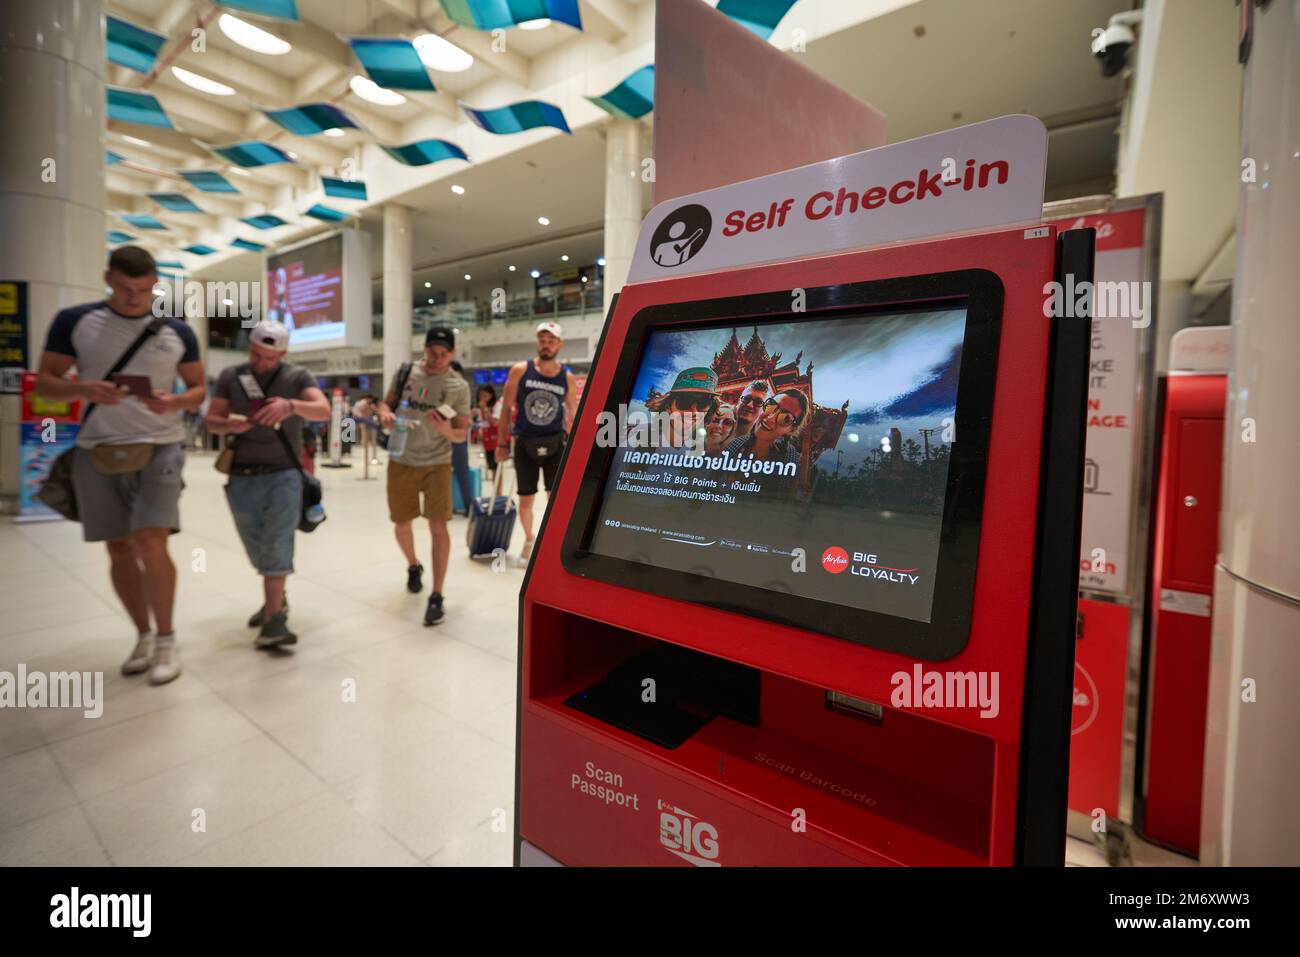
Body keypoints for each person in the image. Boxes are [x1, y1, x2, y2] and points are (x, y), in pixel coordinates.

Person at [35, 245, 206, 685]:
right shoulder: (75, 321)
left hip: (161, 445)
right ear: (108, 278)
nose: (135, 298)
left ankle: (167, 638)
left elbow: (198, 390)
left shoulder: (177, 331)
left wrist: (175, 400)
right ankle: (143, 634)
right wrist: (85, 390)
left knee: (151, 540)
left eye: (145, 290)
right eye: (127, 289)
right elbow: (47, 383)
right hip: (99, 447)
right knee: (119, 546)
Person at [206, 320, 330, 648]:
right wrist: (237, 424)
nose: (262, 363)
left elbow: (323, 409)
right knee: (257, 545)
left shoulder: (297, 377)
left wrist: (290, 406)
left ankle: (275, 621)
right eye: (257, 355)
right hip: (242, 475)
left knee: (277, 541)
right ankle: (276, 599)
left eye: (269, 358)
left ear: (283, 354)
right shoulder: (232, 377)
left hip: (284, 473)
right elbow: (212, 420)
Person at [378, 327, 471, 625]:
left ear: (453, 354)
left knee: (438, 526)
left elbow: (461, 433)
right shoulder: (406, 372)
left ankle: (437, 595)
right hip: (401, 459)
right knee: (402, 523)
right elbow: (386, 403)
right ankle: (413, 564)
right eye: (433, 352)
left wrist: (446, 430)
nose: (438, 358)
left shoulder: (458, 387)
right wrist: (384, 414)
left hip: (437, 463)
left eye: (444, 354)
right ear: (425, 348)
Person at [495, 322, 578, 560]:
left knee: (556, 499)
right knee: (525, 499)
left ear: (559, 345)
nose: (546, 344)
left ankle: (552, 541)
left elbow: (574, 414)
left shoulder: (567, 377)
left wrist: (580, 445)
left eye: (552, 341)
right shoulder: (521, 370)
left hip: (555, 443)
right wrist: (501, 443)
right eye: (542, 340)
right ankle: (530, 539)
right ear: (537, 342)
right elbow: (506, 408)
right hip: (525, 443)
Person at [726, 389, 808, 464]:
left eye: (786, 418)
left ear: (791, 429)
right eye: (771, 406)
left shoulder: (790, 462)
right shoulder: (735, 444)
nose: (770, 419)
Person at [646, 367, 719, 449]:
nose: (694, 412)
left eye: (703, 404)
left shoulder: (705, 452)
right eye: (685, 402)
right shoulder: (639, 439)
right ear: (668, 406)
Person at [449, 361, 476, 516]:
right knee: (442, 473)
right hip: (442, 437)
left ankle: (469, 506)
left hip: (458, 438)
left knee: (462, 472)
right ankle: (447, 507)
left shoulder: (463, 390)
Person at [474, 384, 500, 480]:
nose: (482, 398)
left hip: (496, 440)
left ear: (491, 395)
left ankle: (499, 492)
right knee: (491, 466)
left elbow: (494, 422)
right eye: (480, 395)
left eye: (485, 395)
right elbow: (482, 423)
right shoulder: (480, 409)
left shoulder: (497, 405)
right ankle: (495, 491)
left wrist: (485, 409)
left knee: (497, 467)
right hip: (486, 441)